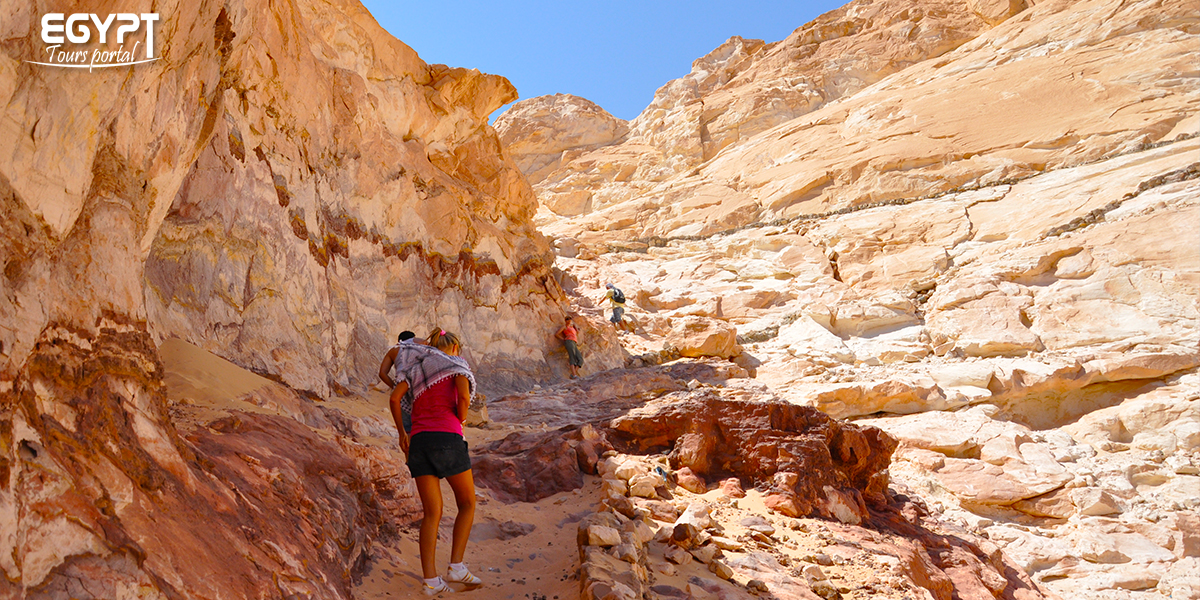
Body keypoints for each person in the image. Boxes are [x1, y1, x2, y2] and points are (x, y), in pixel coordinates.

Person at [388, 328, 481, 594]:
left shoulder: (416, 369)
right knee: (467, 503)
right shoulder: (456, 365)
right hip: (447, 438)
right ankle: (456, 567)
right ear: (453, 348)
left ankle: (431, 581)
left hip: (418, 441)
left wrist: (401, 434)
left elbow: (395, 398)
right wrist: (461, 417)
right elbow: (463, 397)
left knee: (431, 513)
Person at [379, 330, 422, 432]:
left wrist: (394, 386)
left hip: (402, 391)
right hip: (419, 387)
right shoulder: (420, 346)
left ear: (399, 341)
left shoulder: (394, 350)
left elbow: (382, 373)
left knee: (407, 428)